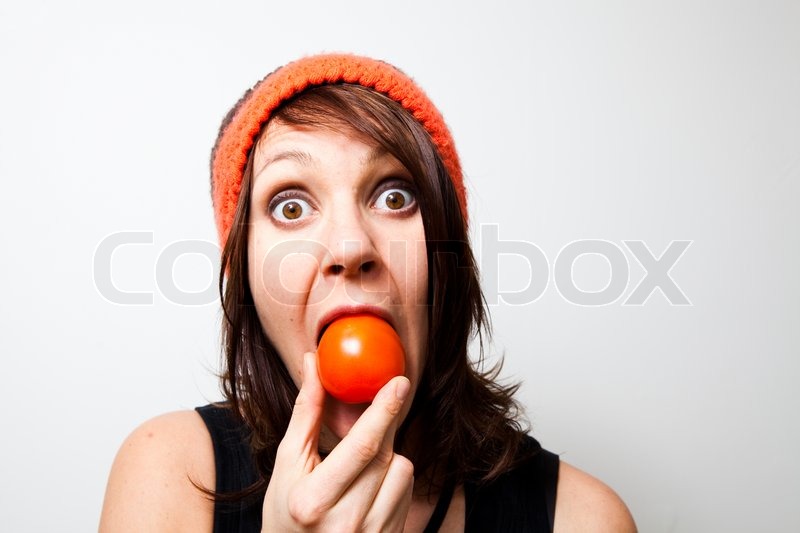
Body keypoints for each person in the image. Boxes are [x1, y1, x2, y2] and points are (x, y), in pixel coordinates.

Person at [99, 53, 636, 532]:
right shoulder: (170, 476)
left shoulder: (584, 520)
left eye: (395, 196)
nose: (351, 246)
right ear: (245, 279)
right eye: (291, 206)